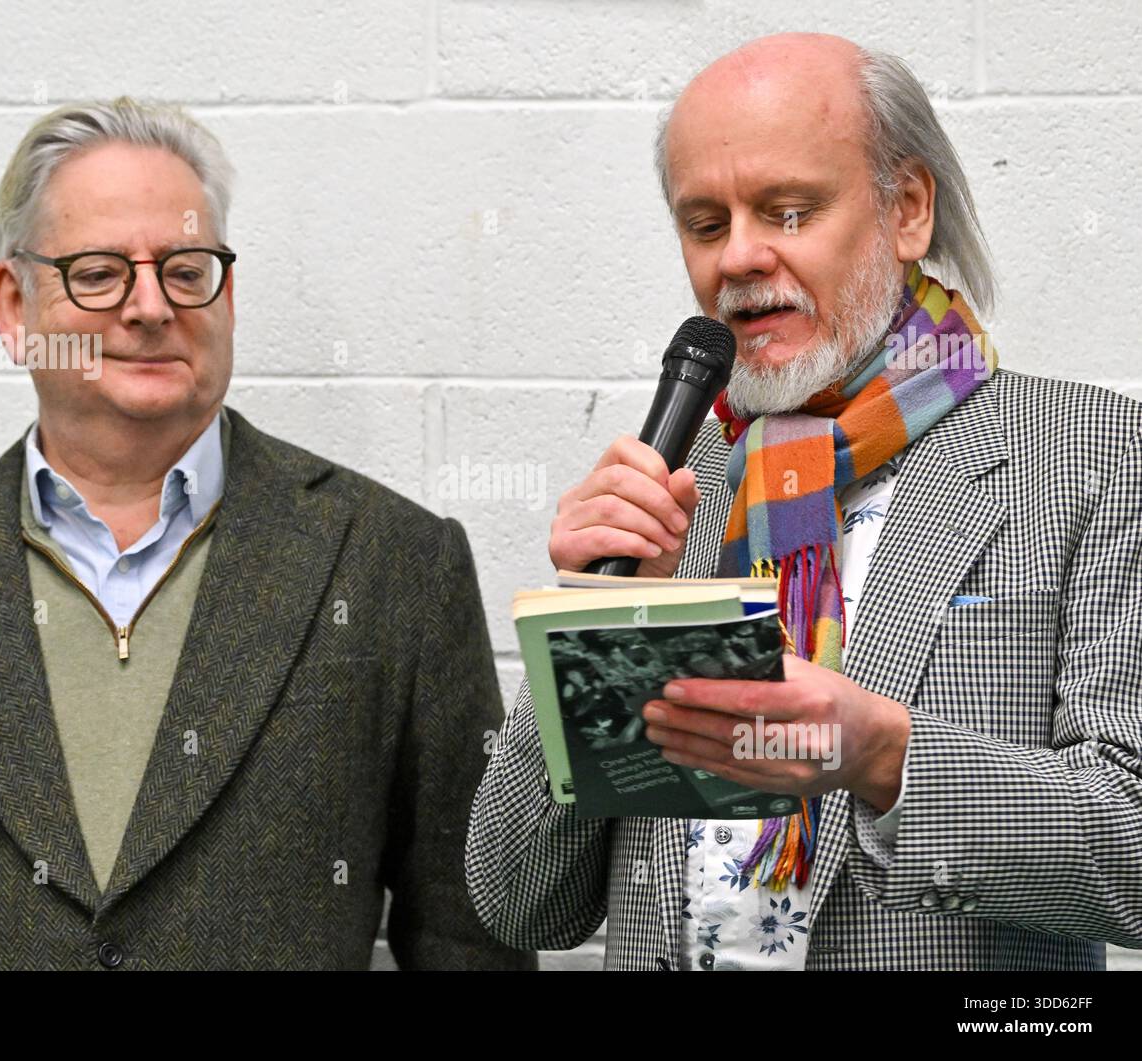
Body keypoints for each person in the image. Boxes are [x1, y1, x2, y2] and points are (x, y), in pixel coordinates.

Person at [466, 33, 1142, 971]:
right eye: (706, 223)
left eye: (788, 211)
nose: (739, 256)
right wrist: (599, 623)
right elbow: (521, 902)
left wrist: (886, 758)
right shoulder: (684, 478)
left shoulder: (1086, 456)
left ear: (906, 210)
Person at [0, 96, 535, 972]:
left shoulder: (396, 564)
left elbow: (470, 939)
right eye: (97, 272)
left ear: (228, 291)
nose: (149, 307)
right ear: (13, 306)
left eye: (185, 267)